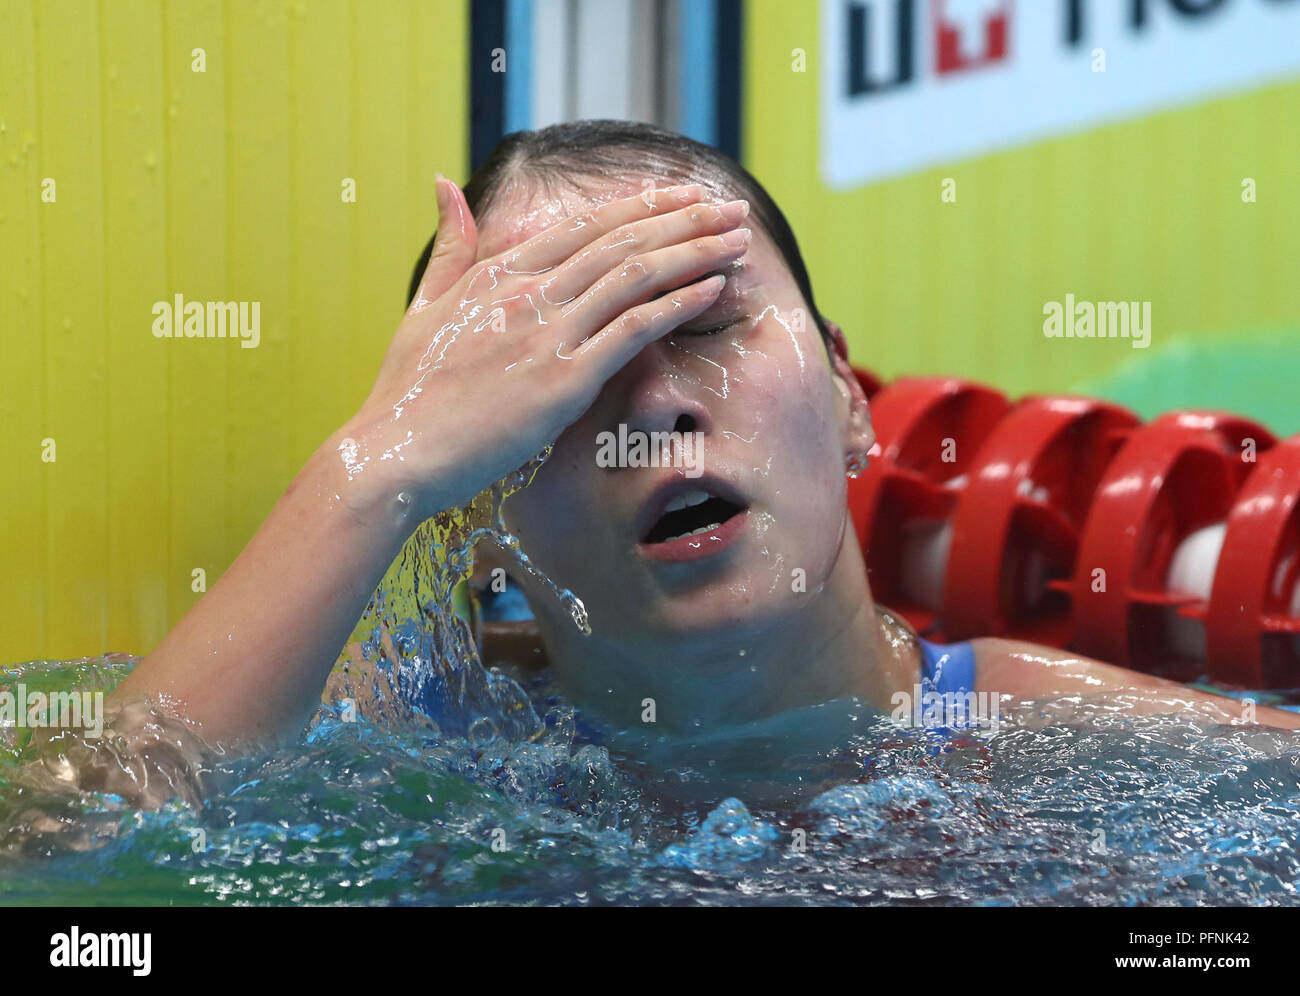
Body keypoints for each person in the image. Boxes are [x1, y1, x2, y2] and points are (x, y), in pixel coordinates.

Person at [110, 119, 1300, 778]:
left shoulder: (1079, 753)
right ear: (476, 497)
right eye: (557, 386)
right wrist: (375, 469)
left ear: (847, 393)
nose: (653, 414)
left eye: (709, 324)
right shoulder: (408, 741)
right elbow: (72, 856)